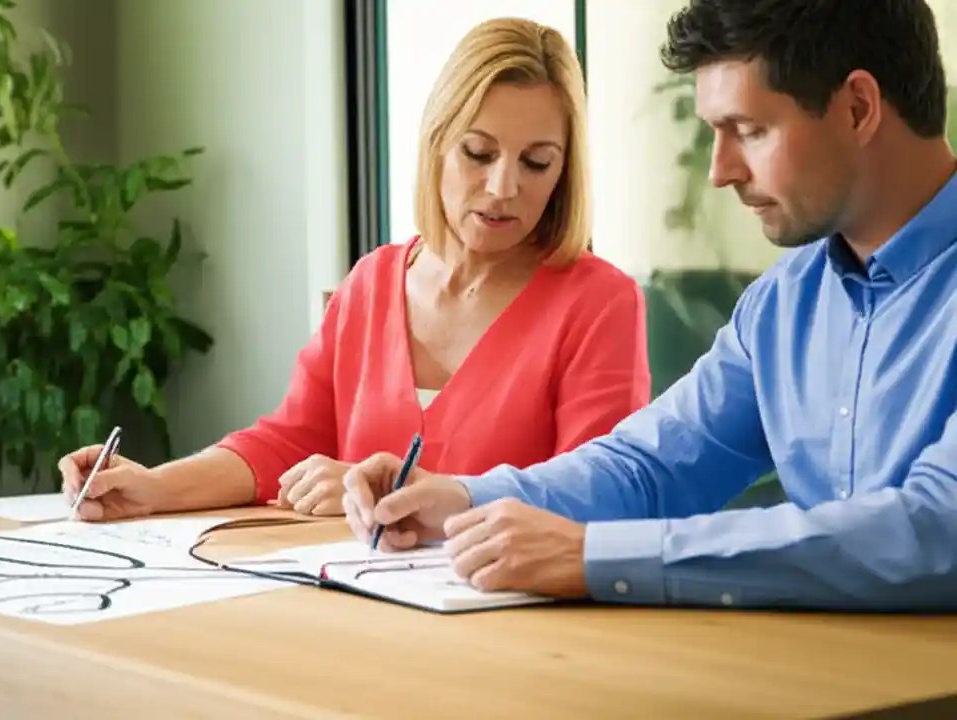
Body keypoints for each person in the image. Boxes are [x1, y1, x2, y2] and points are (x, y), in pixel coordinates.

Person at [343, 0, 957, 612]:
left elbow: (936, 528)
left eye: (749, 131)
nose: (719, 171)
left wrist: (590, 555)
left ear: (858, 108)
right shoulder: (785, 304)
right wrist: (461, 499)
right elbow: (653, 465)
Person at [58, 18, 651, 522]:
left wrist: (392, 493)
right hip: (348, 599)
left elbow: (597, 497)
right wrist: (155, 487)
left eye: (537, 162)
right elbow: (286, 442)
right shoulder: (372, 282)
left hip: (502, 609)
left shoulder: (599, 302)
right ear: (437, 143)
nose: (503, 187)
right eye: (478, 153)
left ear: (564, 172)